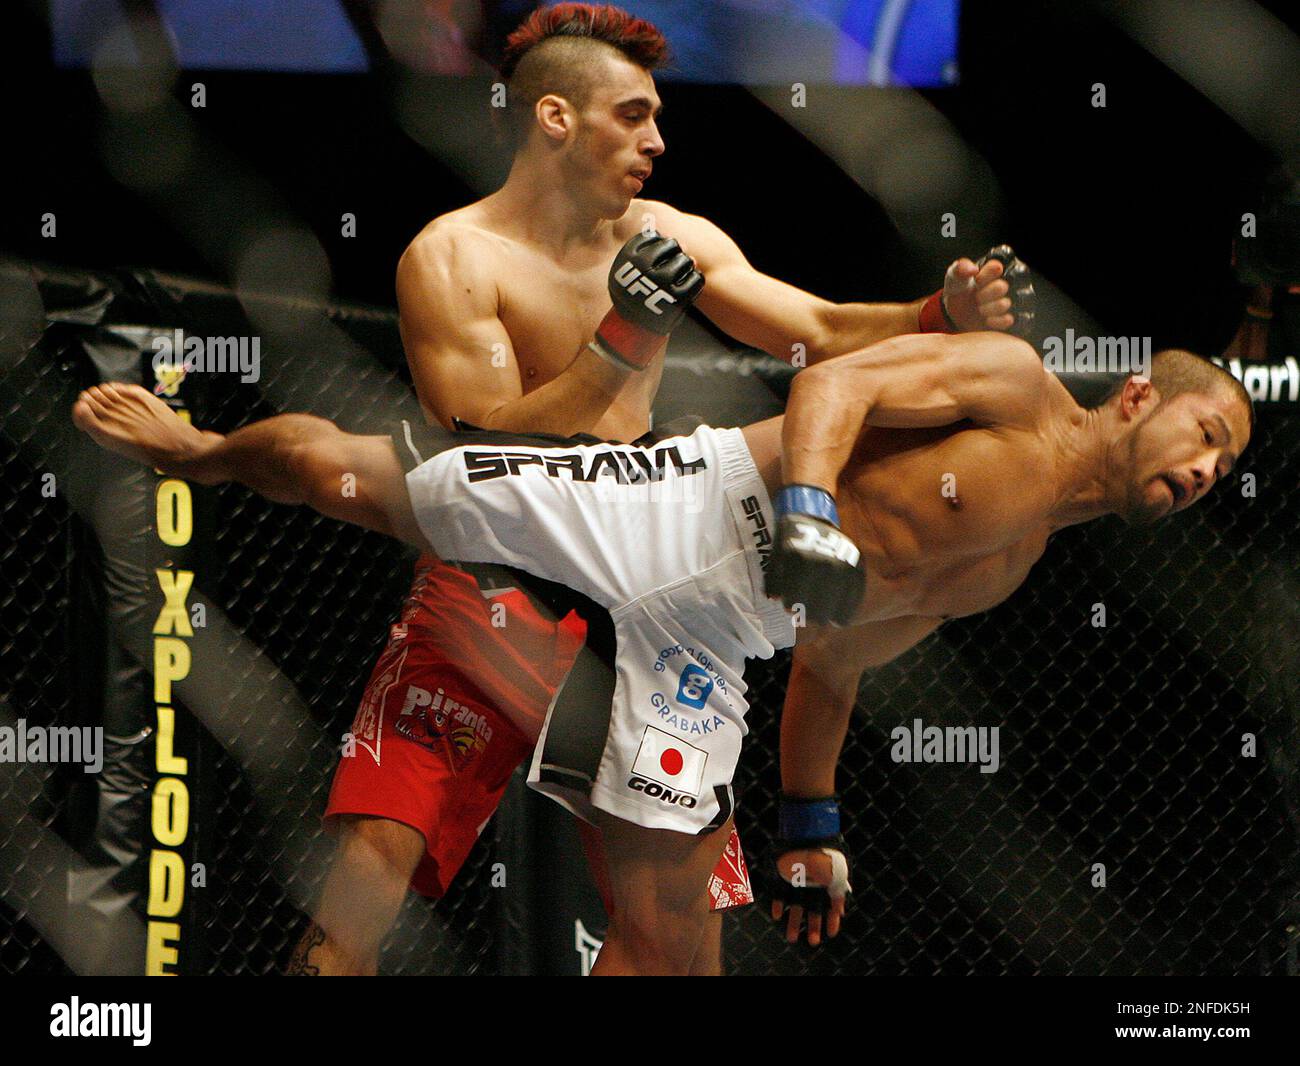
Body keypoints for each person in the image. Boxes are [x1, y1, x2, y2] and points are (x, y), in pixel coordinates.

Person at [71, 328, 1251, 973]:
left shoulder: (1010, 565)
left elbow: (833, 665)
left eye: (1224, 469)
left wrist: (811, 825)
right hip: (683, 507)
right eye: (1204, 433)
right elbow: (832, 383)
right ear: (1140, 393)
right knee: (373, 481)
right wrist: (811, 512)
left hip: (712, 637)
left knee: (678, 938)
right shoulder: (1011, 383)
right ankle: (206, 448)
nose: (1204, 472)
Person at [311, 1, 1026, 973]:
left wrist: (931, 310)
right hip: (496, 581)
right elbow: (476, 444)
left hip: (645, 591)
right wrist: (621, 337)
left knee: (678, 934)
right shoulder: (452, 256)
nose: (657, 139)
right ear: (555, 117)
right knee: (374, 861)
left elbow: (811, 325)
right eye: (633, 114)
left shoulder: (661, 230)